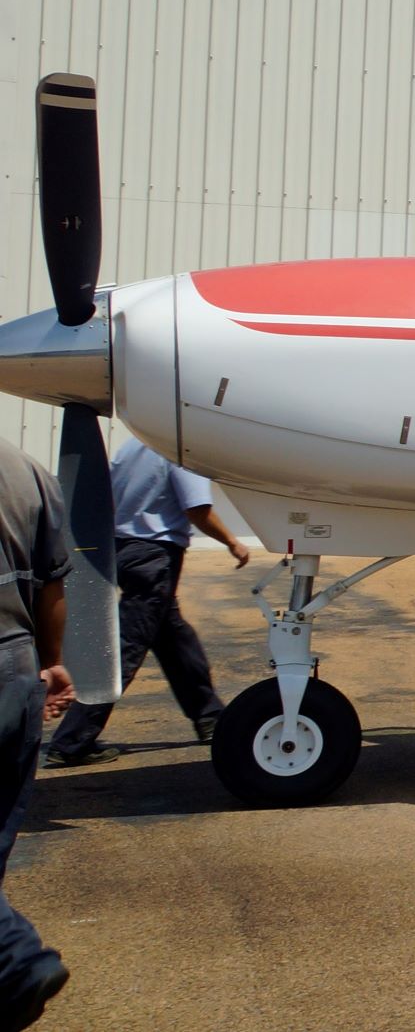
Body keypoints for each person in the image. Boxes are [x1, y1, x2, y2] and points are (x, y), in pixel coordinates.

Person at [45, 437, 249, 767]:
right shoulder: (182, 447)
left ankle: (209, 716)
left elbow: (108, 497)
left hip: (125, 550)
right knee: (126, 647)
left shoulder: (133, 445)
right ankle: (71, 741)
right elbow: (196, 508)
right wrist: (232, 542)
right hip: (155, 557)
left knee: (173, 636)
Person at [0, 437, 72, 1025]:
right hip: (19, 672)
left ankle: (19, 957)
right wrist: (52, 663)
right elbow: (52, 583)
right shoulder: (26, 467)